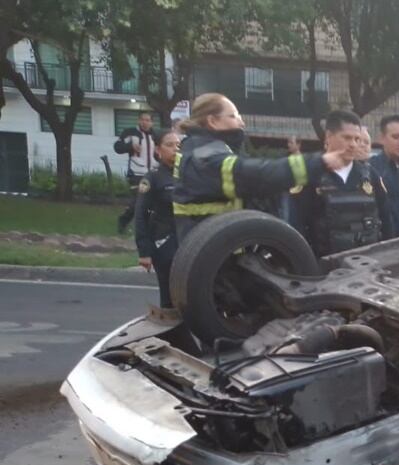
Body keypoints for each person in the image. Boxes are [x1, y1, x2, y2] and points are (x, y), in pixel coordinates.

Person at [172, 93, 352, 245]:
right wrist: (317, 163)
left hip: (220, 253)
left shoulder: (206, 149)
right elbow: (255, 176)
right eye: (234, 116)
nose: (242, 122)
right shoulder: (204, 157)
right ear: (212, 121)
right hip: (217, 262)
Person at [286, 110, 391, 258]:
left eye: (357, 139)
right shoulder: (309, 176)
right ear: (329, 136)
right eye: (347, 138)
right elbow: (296, 228)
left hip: (368, 267)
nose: (353, 144)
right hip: (324, 269)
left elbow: (386, 222)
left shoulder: (370, 176)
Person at [134, 131, 181, 307]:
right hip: (165, 243)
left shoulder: (187, 175)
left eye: (178, 145)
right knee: (170, 296)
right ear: (158, 149)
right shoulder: (152, 177)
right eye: (170, 145)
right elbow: (141, 214)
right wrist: (144, 252)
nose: (175, 149)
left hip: (187, 240)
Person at [114, 111, 158, 233]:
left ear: (152, 122)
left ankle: (146, 227)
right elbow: (117, 147)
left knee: (150, 202)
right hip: (137, 172)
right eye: (142, 119)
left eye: (148, 120)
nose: (145, 122)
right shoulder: (130, 132)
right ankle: (124, 221)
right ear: (138, 120)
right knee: (139, 200)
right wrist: (130, 147)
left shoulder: (155, 135)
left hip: (153, 173)